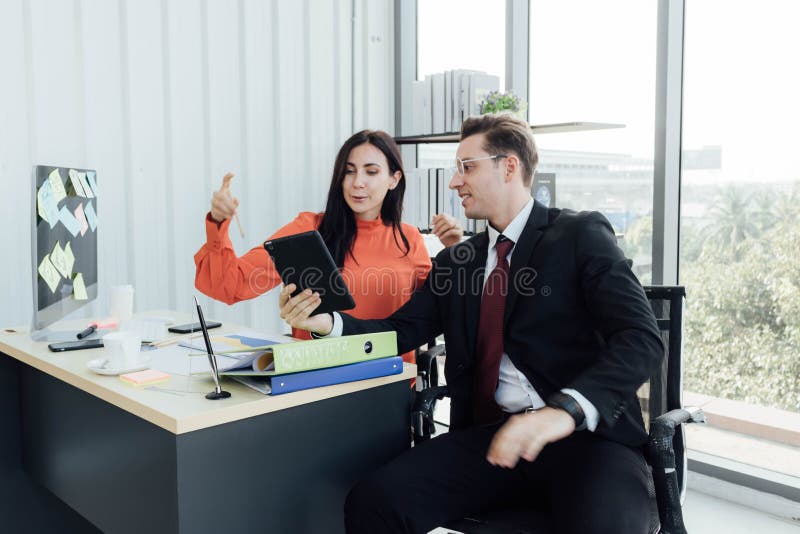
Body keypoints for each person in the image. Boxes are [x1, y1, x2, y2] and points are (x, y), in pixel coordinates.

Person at [278, 113, 664, 533]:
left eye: (468, 167)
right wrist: (328, 323)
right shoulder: (455, 262)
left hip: (588, 440)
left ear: (509, 166)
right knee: (375, 502)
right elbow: (400, 332)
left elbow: (640, 339)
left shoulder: (578, 236)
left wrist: (564, 409)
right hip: (494, 441)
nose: (454, 182)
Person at [194, 129, 462, 363]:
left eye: (371, 171)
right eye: (349, 171)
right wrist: (218, 223)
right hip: (316, 380)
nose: (358, 182)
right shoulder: (309, 229)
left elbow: (439, 313)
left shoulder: (409, 239)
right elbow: (229, 285)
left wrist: (454, 250)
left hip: (388, 379)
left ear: (394, 179)